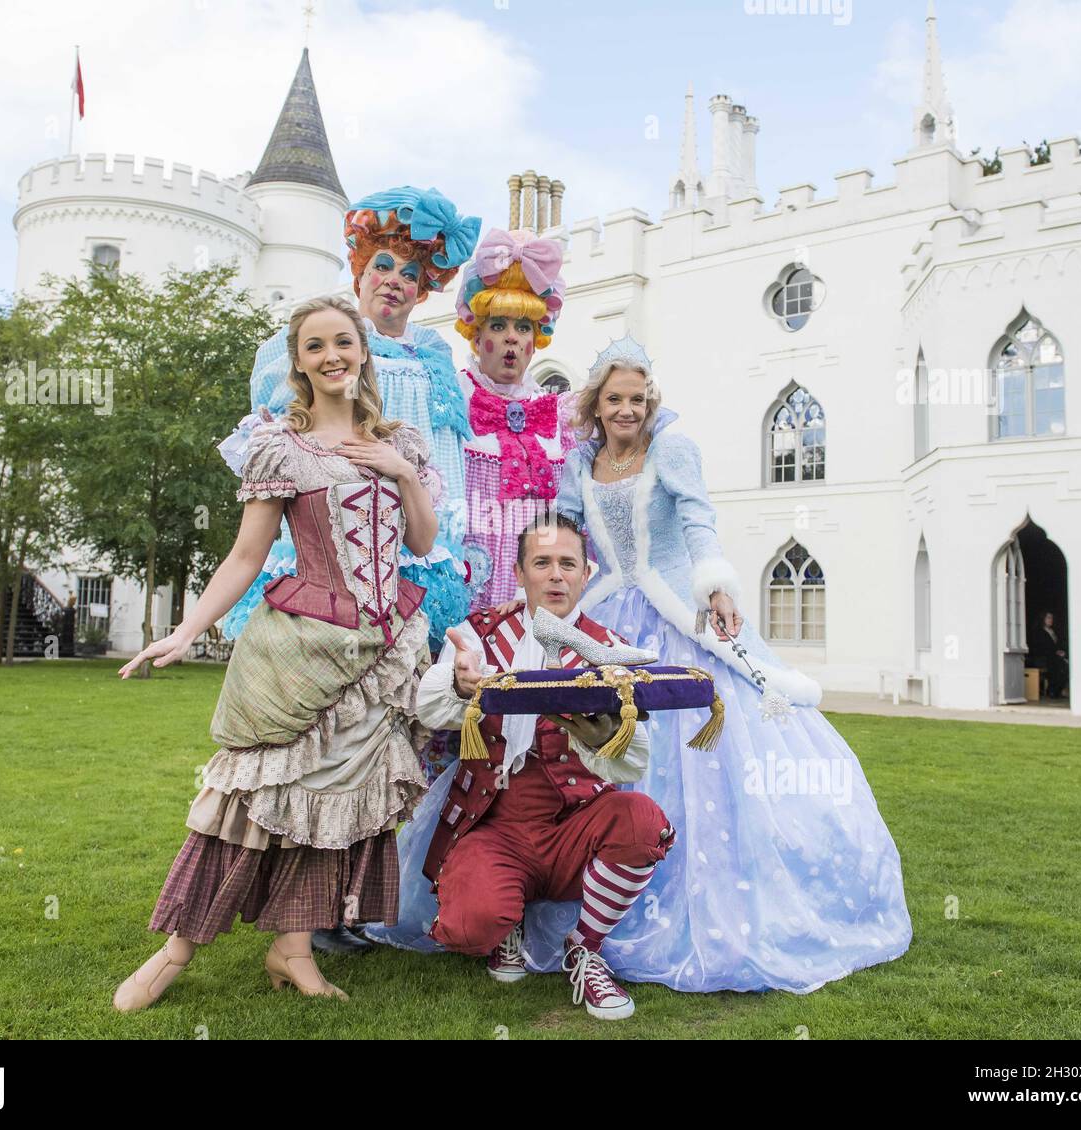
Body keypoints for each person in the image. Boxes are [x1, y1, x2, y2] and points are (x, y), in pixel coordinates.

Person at [540, 335, 912, 993]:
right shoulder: (578, 463)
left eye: (637, 398)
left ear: (649, 401)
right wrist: (554, 595)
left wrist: (716, 586)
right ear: (595, 404)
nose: (626, 410)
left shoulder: (673, 450)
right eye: (614, 399)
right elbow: (565, 539)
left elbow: (697, 523)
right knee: (594, 747)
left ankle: (714, 901)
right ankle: (588, 899)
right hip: (606, 617)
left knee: (708, 753)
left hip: (677, 616)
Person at [111, 295, 439, 1010]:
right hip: (301, 649)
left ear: (362, 350)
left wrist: (401, 470)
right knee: (253, 802)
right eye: (316, 346)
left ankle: (294, 951)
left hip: (379, 655)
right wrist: (187, 629)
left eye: (343, 343)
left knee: (337, 809)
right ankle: (174, 952)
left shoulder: (402, 443)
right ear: (299, 360)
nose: (332, 357)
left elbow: (420, 543)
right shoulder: (279, 448)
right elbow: (244, 556)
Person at [372, 513, 674, 1019]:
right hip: (496, 827)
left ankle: (586, 948)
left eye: (567, 564)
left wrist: (597, 732)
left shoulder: (607, 649)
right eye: (542, 562)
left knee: (643, 820)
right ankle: (502, 921)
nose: (556, 575)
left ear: (585, 574)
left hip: (575, 826)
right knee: (468, 928)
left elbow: (634, 759)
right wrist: (462, 687)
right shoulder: (479, 633)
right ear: (519, 572)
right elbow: (429, 707)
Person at [220, 186, 480, 653]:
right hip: (337, 532)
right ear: (359, 275)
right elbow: (290, 441)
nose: (394, 280)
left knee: (413, 690)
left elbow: (449, 454)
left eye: (409, 273)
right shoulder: (320, 343)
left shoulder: (436, 355)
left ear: (421, 291)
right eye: (382, 266)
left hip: (417, 533)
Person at [452, 228, 577, 610]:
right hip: (470, 592)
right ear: (476, 335)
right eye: (499, 325)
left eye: (523, 328)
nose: (512, 339)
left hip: (539, 599)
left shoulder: (559, 417)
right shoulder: (453, 397)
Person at [1029, 610, 1069, 699]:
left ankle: (1056, 690)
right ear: (1043, 619)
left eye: (1051, 618)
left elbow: (1056, 645)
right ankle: (1052, 690)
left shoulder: (1053, 631)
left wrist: (1060, 651)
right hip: (1042, 657)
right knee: (1059, 665)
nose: (1051, 620)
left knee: (1065, 665)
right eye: (1048, 618)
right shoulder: (1038, 632)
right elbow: (1040, 647)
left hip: (1053, 656)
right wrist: (1055, 652)